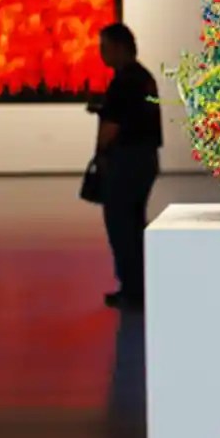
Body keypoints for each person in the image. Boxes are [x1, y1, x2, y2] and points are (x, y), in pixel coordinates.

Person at [92, 23, 162, 308]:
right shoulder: (144, 77)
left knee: (121, 224)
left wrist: (99, 155)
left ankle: (132, 290)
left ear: (119, 48)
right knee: (133, 222)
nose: (101, 53)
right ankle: (139, 286)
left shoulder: (124, 81)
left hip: (127, 159)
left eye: (104, 47)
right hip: (145, 158)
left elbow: (112, 126)